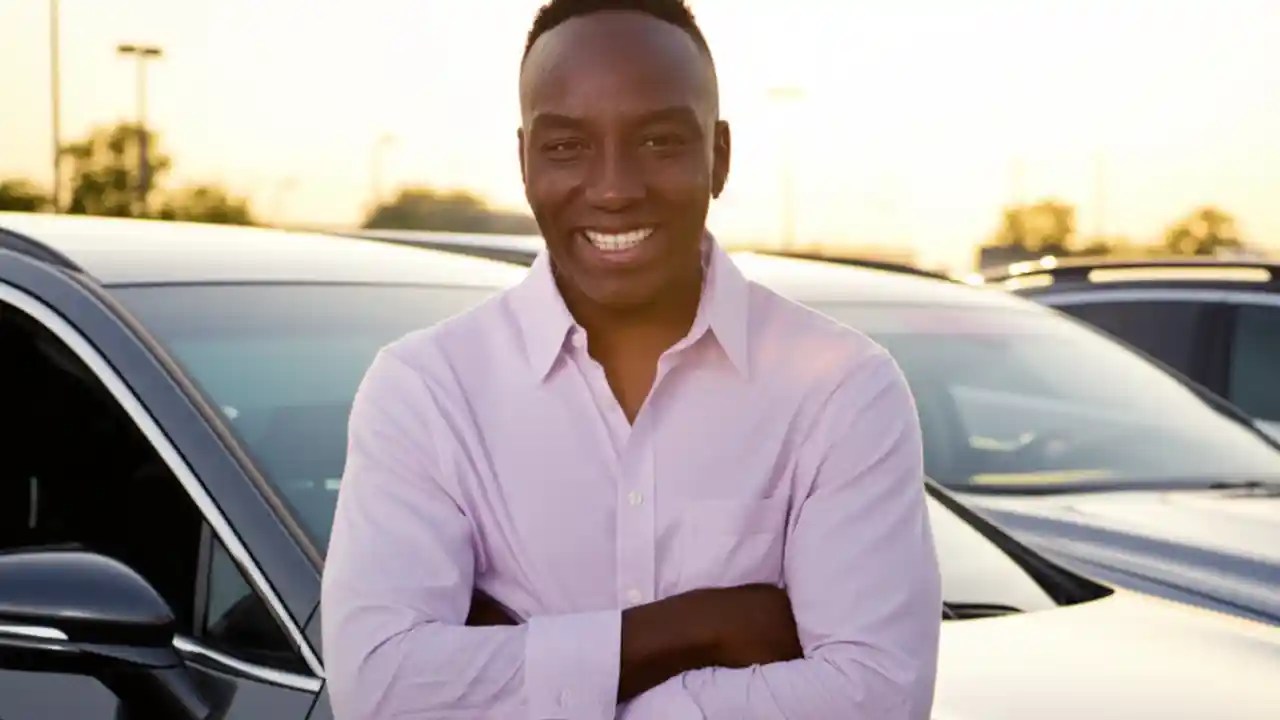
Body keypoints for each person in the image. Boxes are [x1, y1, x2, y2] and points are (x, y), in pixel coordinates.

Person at [320, 0, 942, 717]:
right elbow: (380, 690)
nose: (614, 187)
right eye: (566, 147)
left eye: (658, 141)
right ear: (524, 162)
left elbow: (876, 699)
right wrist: (692, 629)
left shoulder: (841, 389)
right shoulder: (426, 392)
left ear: (719, 155)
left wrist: (531, 676)